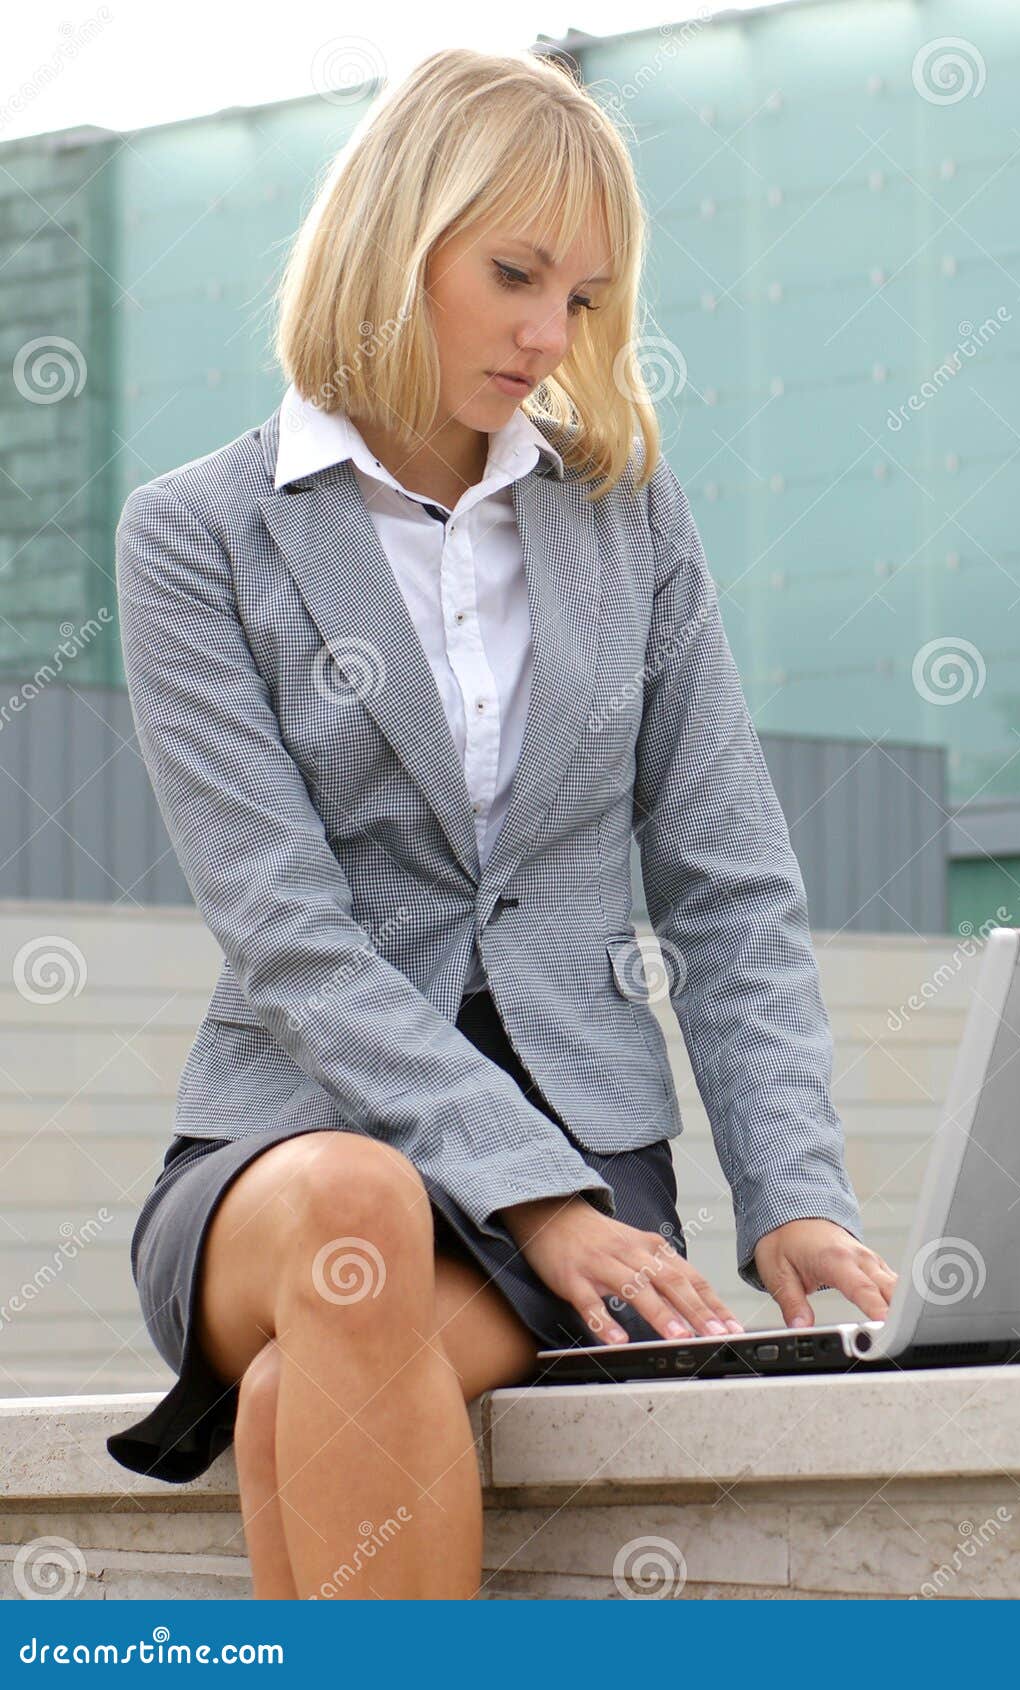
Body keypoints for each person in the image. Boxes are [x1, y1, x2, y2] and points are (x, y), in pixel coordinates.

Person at [104, 44, 896, 1599]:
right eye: (514, 274)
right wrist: (525, 1192)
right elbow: (287, 933)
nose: (550, 336)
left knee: (301, 1395)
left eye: (586, 298)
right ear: (397, 243)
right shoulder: (197, 536)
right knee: (359, 1205)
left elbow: (731, 889)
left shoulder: (629, 516)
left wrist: (794, 1189)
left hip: (595, 1169)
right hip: (285, 1150)